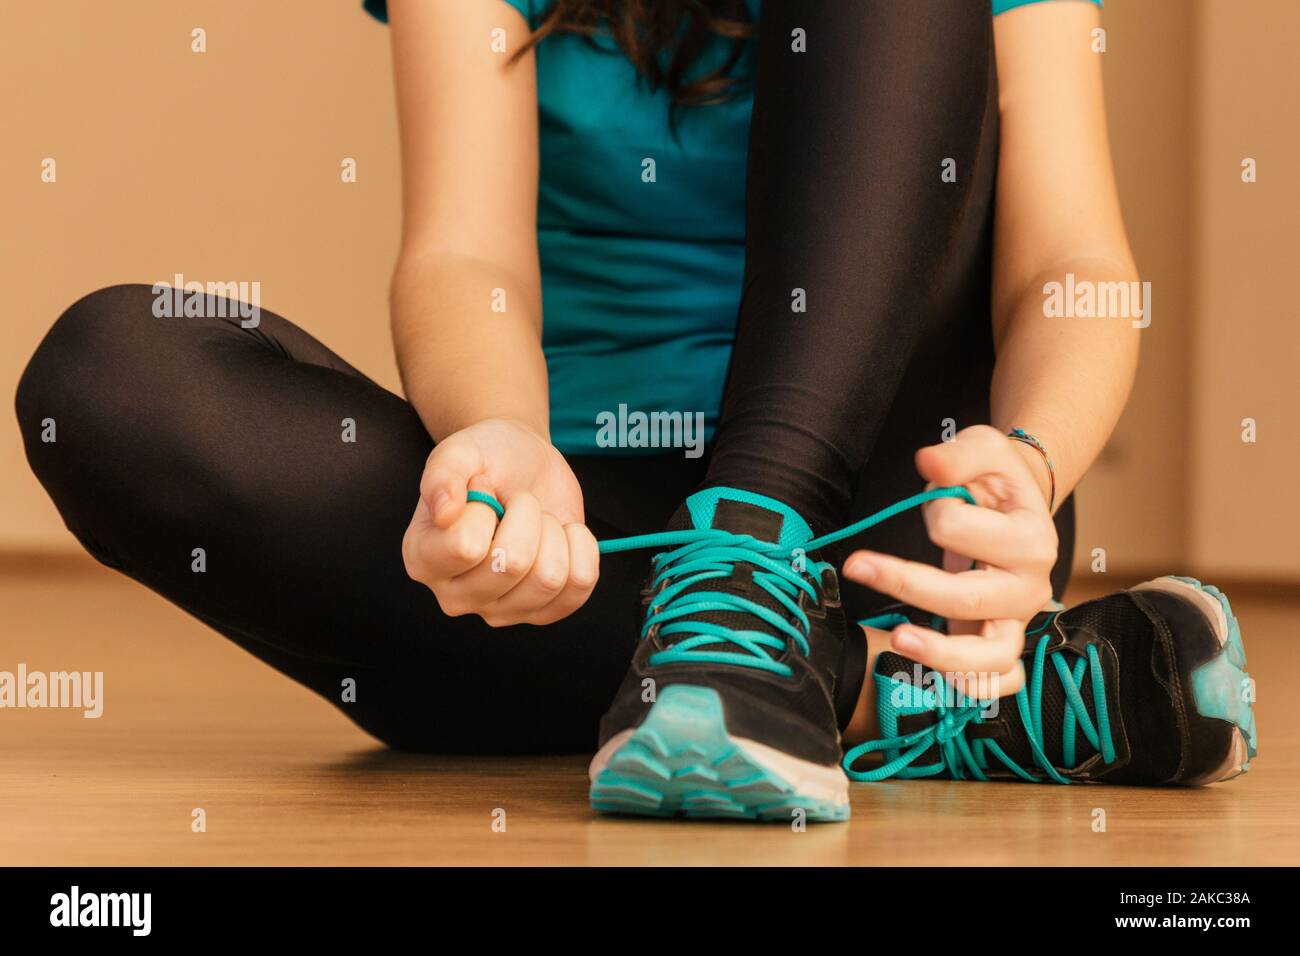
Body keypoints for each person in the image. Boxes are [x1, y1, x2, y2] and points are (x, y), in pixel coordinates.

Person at [15, 0, 1255, 823]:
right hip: (598, 547)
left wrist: (1027, 471)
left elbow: (1070, 271)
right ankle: (908, 693)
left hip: (888, 513)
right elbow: (463, 257)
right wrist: (495, 436)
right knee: (111, 377)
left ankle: (770, 574)